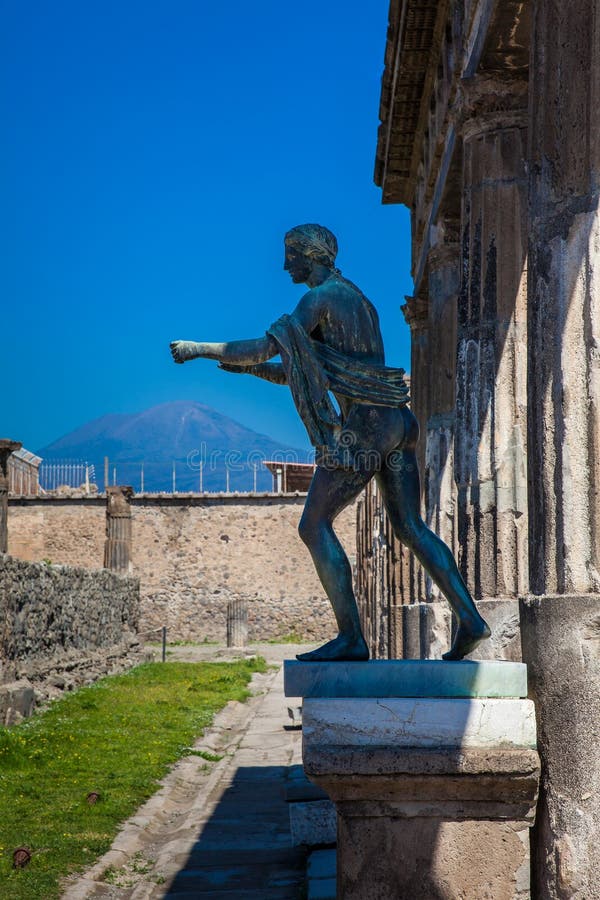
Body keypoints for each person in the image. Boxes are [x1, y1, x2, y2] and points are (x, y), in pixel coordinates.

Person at [170, 224, 490, 661]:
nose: (285, 265)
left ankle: (352, 638)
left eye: (291, 255)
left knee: (313, 525)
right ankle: (470, 618)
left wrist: (201, 349)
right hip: (398, 421)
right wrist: (248, 372)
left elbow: (267, 348)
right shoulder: (360, 301)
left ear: (311, 255)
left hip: (366, 427)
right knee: (410, 527)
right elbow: (302, 370)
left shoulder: (317, 299)